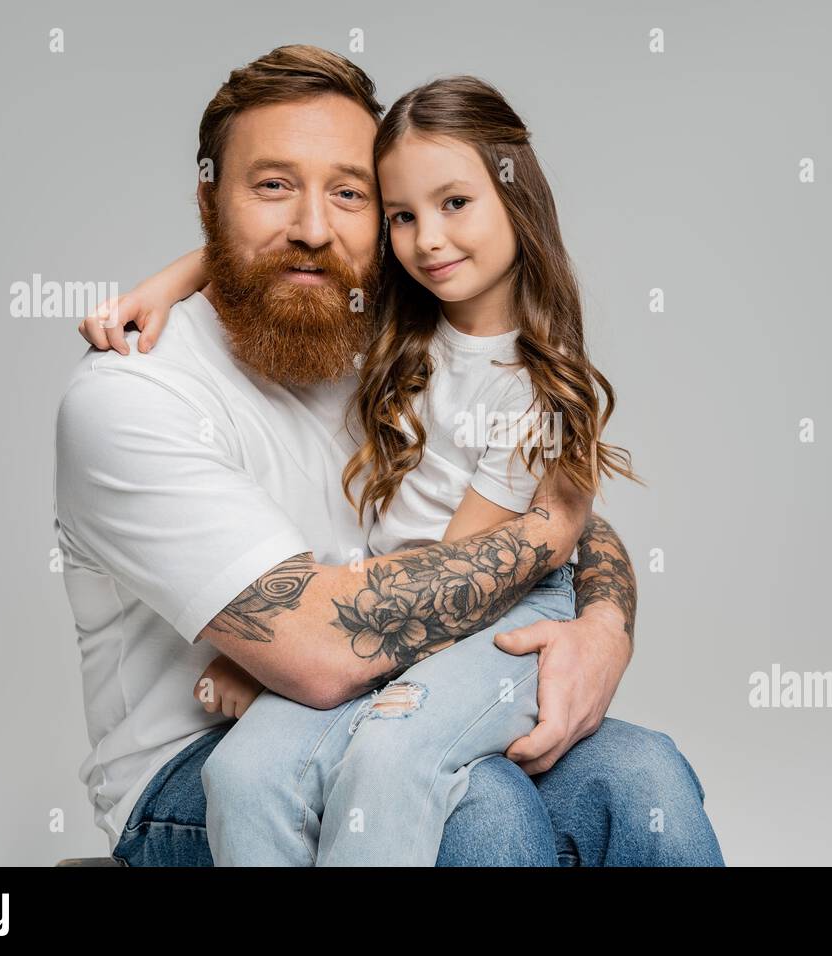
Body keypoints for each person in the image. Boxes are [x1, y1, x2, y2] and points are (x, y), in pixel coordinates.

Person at [55, 43, 724, 866]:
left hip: (403, 683)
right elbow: (329, 648)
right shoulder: (133, 395)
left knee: (645, 775)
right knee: (479, 808)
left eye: (349, 194)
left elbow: (559, 515)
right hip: (198, 762)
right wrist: (548, 539)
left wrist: (604, 625)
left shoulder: (384, 336)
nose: (311, 227)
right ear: (209, 198)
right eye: (272, 185)